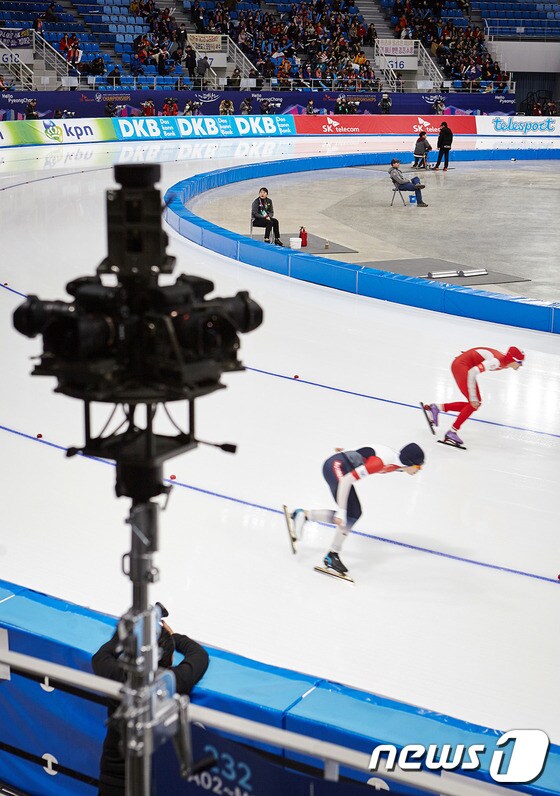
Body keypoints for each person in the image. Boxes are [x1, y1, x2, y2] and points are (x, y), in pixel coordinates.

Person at [92, 616, 209, 796]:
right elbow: (199, 656)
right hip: (149, 783)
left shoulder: (116, 675)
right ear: (169, 660)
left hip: (112, 780)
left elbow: (101, 656)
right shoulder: (172, 683)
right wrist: (174, 636)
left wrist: (126, 637)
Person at [286, 443, 425, 576]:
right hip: (336, 467)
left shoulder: (399, 464)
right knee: (347, 514)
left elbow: (368, 450)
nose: (419, 470)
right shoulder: (380, 462)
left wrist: (348, 451)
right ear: (411, 462)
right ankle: (331, 553)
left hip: (341, 465)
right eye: (419, 466)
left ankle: (306, 519)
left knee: (354, 514)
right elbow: (347, 480)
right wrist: (341, 510)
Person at [423, 346, 525, 447]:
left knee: (474, 404)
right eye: (520, 362)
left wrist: (468, 355)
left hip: (463, 364)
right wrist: (472, 397)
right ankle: (452, 432)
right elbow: (473, 372)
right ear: (513, 360)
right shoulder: (496, 362)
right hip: (462, 366)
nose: (521, 365)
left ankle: (437, 408)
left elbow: (483, 353)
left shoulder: (506, 361)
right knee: (474, 403)